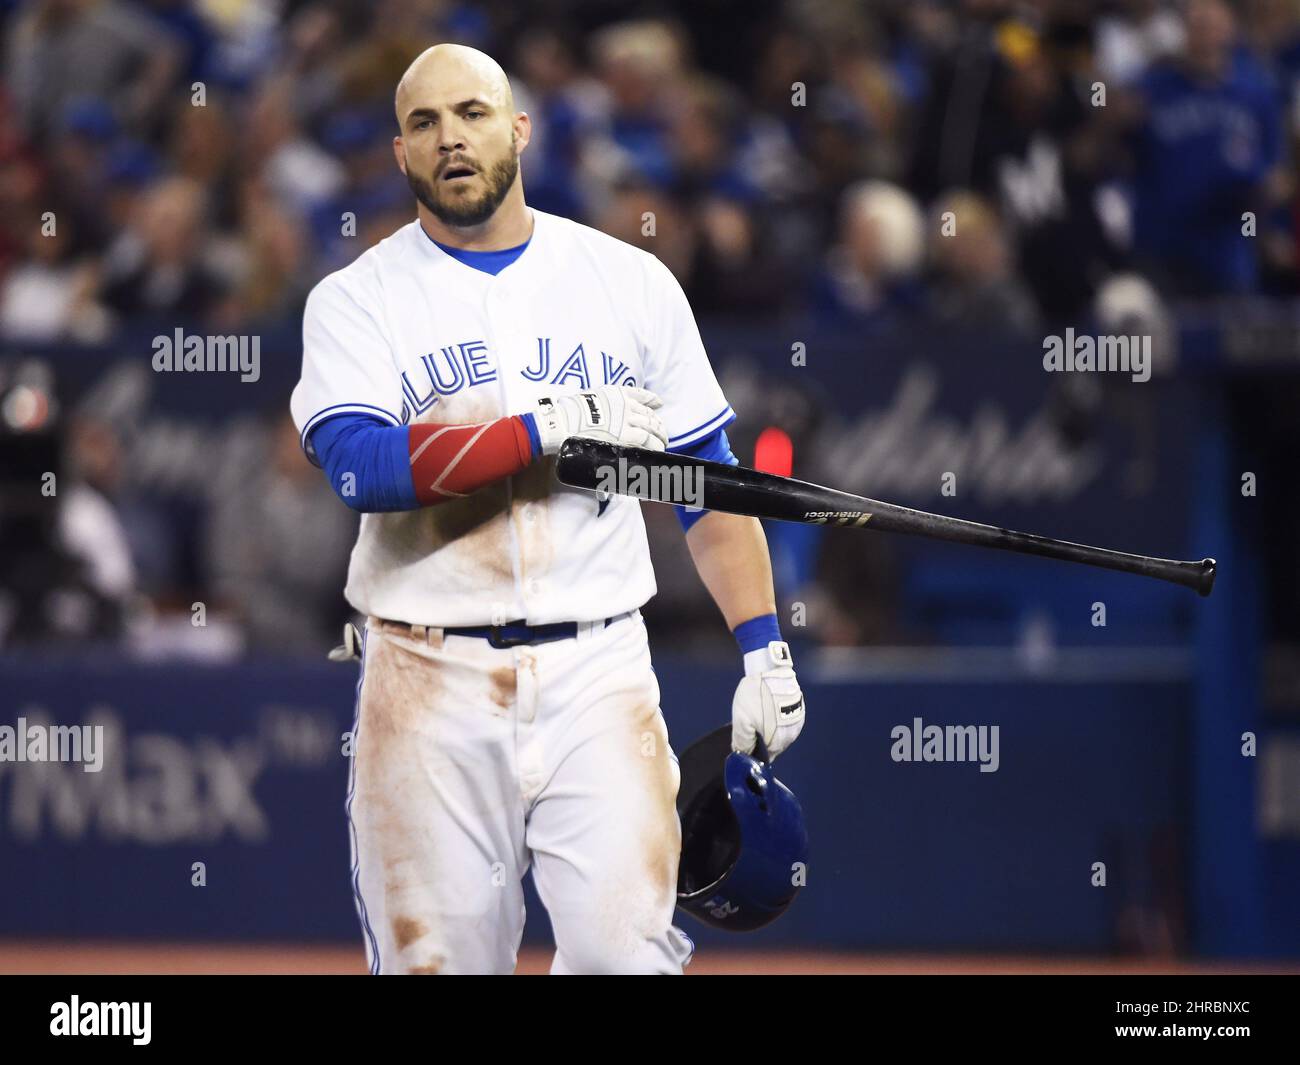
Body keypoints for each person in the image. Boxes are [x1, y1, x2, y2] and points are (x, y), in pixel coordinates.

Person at [290, 43, 806, 975]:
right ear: (401, 154)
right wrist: (539, 432)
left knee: (626, 961)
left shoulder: (628, 281)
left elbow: (704, 480)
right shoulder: (354, 300)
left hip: (599, 670)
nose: (451, 137)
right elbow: (362, 467)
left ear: (519, 130)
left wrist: (763, 642)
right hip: (426, 675)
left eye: (473, 114)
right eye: (424, 122)